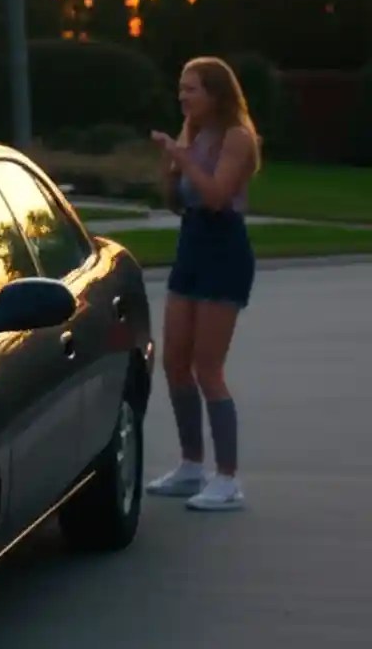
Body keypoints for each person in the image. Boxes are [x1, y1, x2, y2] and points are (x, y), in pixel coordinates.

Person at [143, 56, 259, 512]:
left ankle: (227, 478)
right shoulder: (192, 132)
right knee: (174, 362)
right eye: (181, 89)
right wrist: (170, 164)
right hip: (190, 246)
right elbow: (180, 201)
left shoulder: (238, 137)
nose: (183, 96)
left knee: (208, 368)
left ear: (216, 93)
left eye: (191, 89)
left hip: (223, 250)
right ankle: (191, 464)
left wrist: (182, 158)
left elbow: (216, 196)